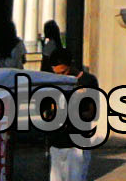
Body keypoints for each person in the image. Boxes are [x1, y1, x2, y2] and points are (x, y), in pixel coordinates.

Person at [45, 49, 99, 181]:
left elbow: (93, 113)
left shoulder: (88, 81)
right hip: (56, 144)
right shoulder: (52, 82)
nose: (60, 76)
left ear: (71, 65)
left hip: (77, 144)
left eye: (63, 72)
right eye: (56, 73)